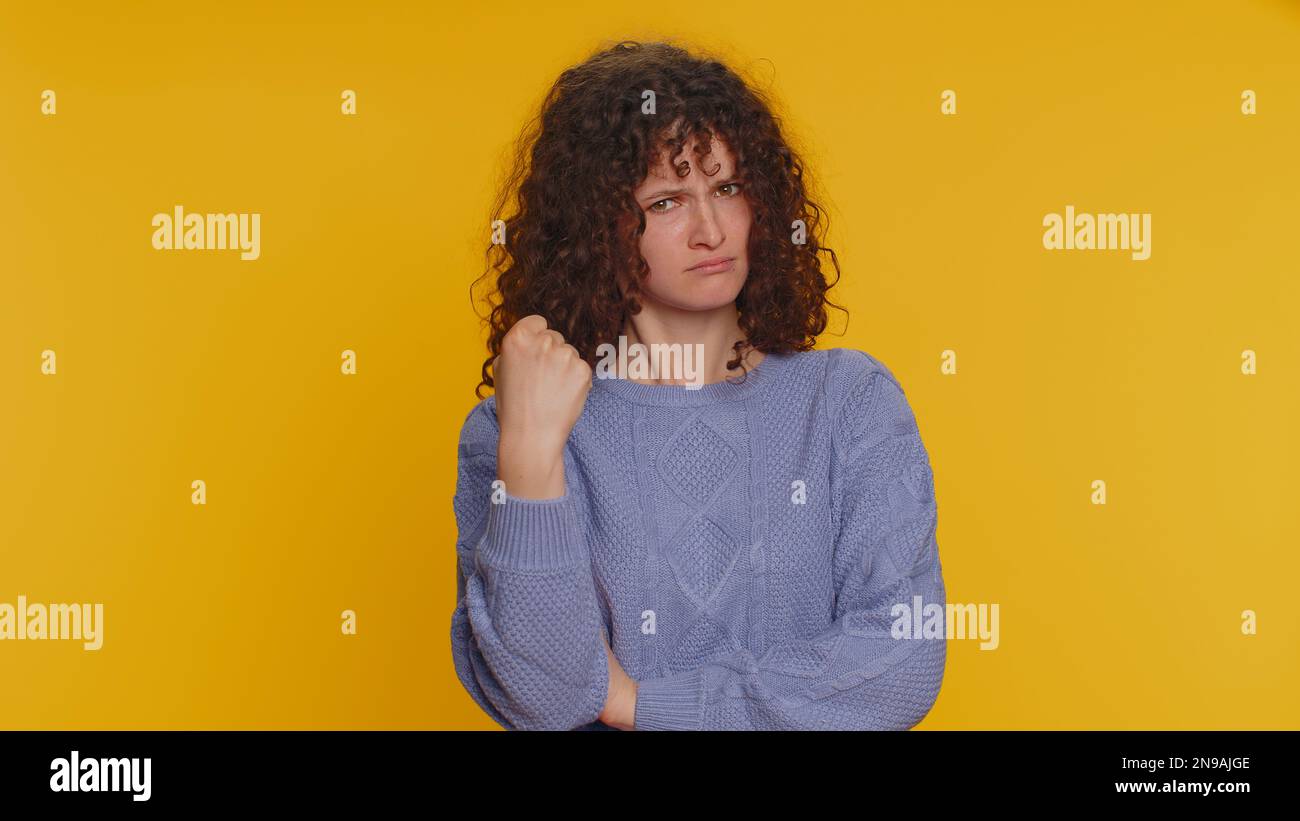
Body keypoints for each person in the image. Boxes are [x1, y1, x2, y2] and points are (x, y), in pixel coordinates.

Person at [450, 40, 946, 730]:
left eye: (728, 188)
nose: (710, 228)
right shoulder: (513, 433)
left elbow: (900, 664)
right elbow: (548, 697)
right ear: (597, 224)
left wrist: (640, 703)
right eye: (667, 200)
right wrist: (531, 455)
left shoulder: (849, 402)